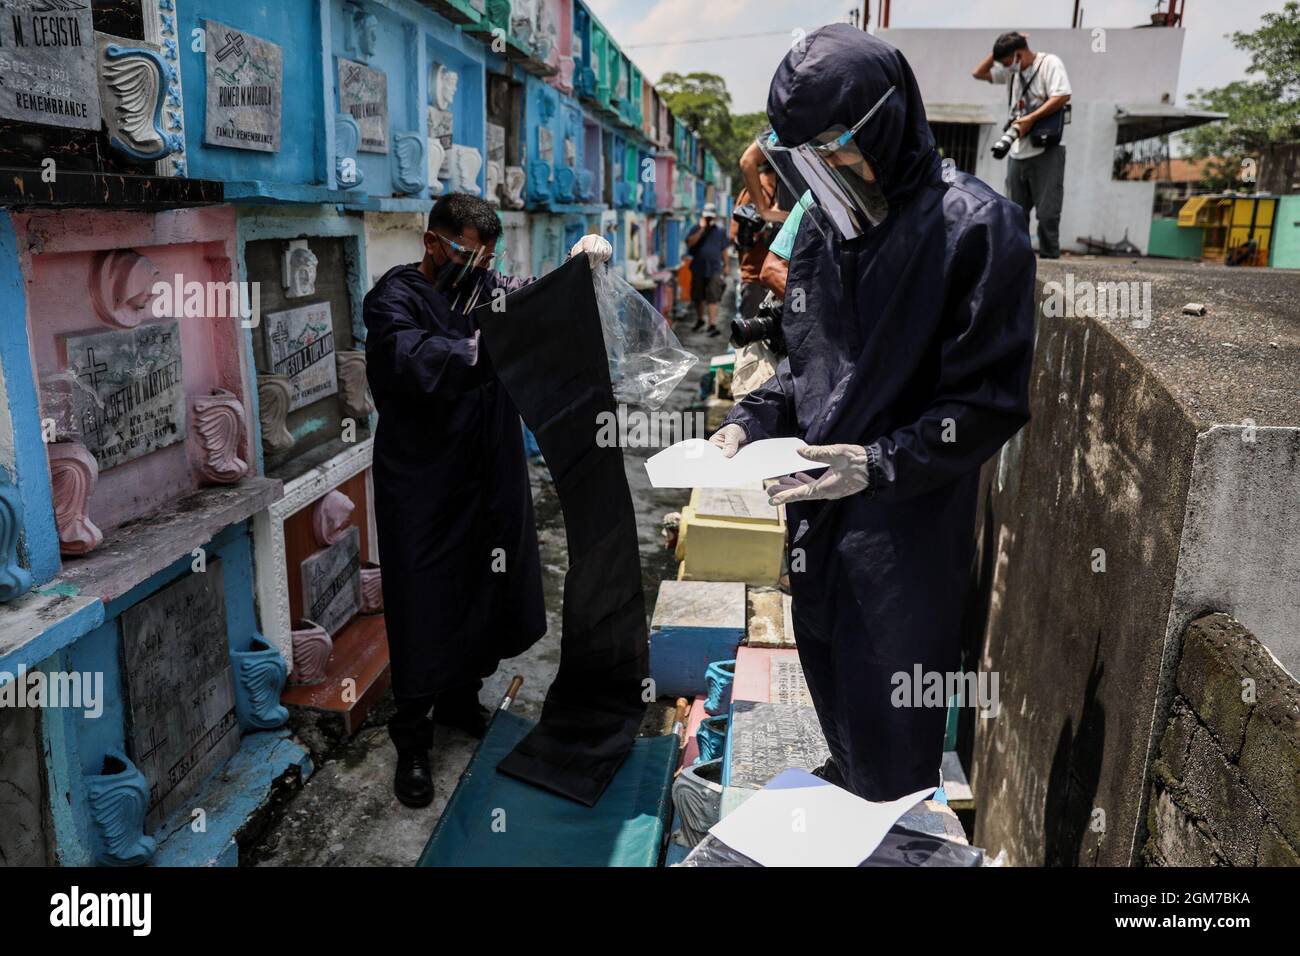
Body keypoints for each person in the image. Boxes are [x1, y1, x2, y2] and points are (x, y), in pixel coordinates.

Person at [710, 25, 1036, 802]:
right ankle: (848, 779)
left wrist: (878, 463)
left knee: (893, 744)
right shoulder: (824, 232)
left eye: (836, 151)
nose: (825, 175)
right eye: (805, 161)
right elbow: (807, 373)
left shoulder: (976, 228)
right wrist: (751, 419)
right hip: (814, 524)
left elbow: (985, 404)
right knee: (827, 680)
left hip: (903, 545)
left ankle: (886, 813)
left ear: (887, 119)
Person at [363, 192, 611, 808]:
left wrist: (578, 271)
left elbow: (531, 299)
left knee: (482, 583)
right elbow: (409, 357)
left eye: (487, 260)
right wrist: (483, 352)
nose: (480, 270)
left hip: (485, 472)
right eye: (468, 256)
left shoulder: (485, 288)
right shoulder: (393, 300)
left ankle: (460, 699)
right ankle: (413, 736)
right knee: (422, 598)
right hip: (423, 480)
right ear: (432, 243)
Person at [972, 31, 1072, 258]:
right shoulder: (1012, 72)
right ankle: (1019, 260)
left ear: (1019, 54)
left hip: (1046, 150)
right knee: (1015, 213)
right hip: (1017, 152)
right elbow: (978, 73)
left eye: (1008, 62)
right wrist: (998, 51)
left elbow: (1063, 95)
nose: (1007, 67)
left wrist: (1030, 119)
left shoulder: (1049, 63)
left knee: (1047, 214)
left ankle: (1050, 260)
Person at [685, 202, 728, 336]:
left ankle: (712, 324)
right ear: (703, 216)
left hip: (714, 268)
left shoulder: (720, 231)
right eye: (707, 217)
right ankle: (700, 320)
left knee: (713, 297)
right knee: (698, 297)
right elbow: (690, 242)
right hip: (698, 268)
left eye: (711, 217)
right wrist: (702, 229)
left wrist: (726, 265)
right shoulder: (695, 228)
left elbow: (724, 249)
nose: (709, 220)